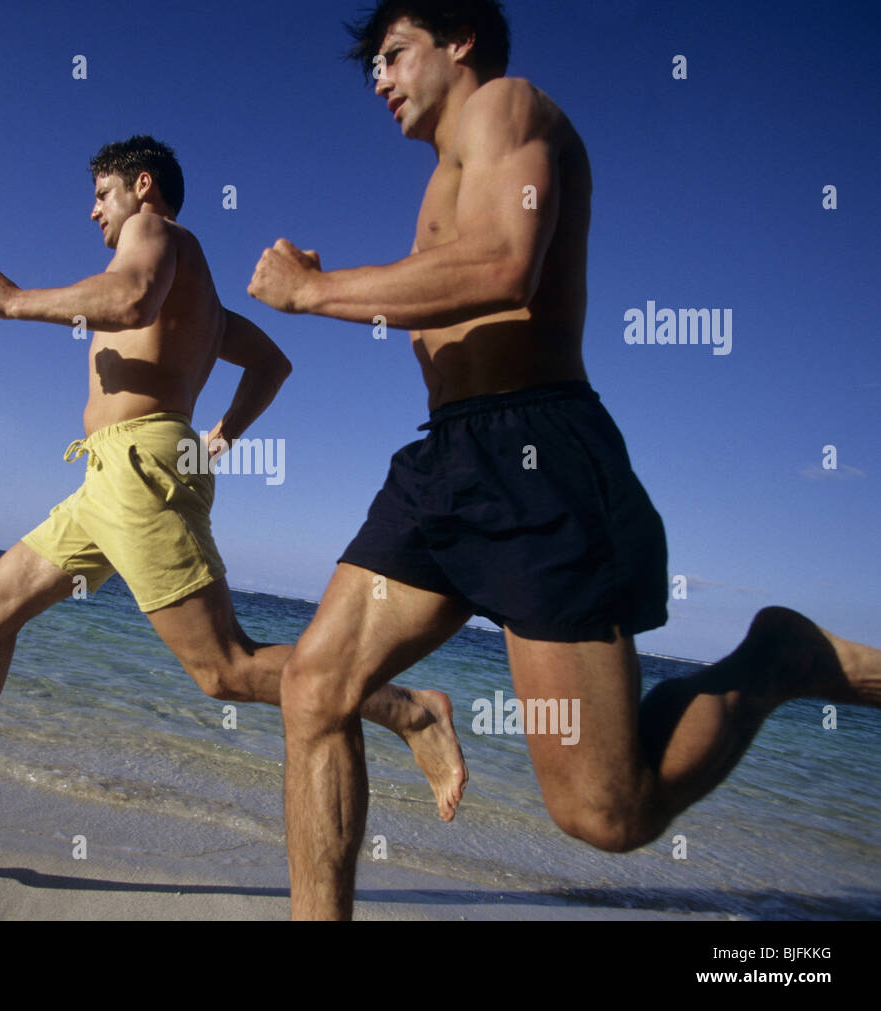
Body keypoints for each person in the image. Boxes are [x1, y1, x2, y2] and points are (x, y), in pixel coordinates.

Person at [247, 1, 881, 920]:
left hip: (536, 457)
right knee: (315, 687)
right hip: (446, 461)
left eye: (394, 54)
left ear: (460, 40)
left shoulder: (507, 105)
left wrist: (313, 290)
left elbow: (503, 265)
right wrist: (336, 289)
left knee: (605, 811)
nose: (378, 80)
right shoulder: (442, 176)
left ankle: (779, 657)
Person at [0, 135, 467, 838]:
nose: (94, 210)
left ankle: (410, 710)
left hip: (139, 471)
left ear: (143, 187)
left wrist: (16, 301)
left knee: (224, 669)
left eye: (103, 194)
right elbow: (271, 363)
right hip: (108, 476)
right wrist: (220, 437)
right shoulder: (198, 297)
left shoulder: (154, 234)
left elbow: (128, 299)